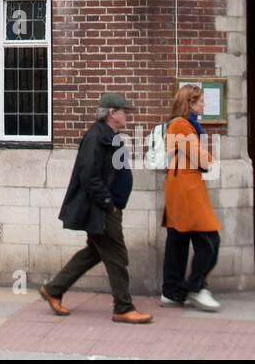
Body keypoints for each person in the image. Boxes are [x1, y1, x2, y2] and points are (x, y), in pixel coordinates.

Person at [40, 92, 152, 323]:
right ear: (112, 113)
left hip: (108, 207)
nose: (128, 115)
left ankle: (53, 289)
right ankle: (123, 307)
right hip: (101, 209)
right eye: (124, 111)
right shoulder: (95, 138)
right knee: (117, 257)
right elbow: (89, 176)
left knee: (93, 253)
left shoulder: (110, 136)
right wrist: (109, 204)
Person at [159, 83, 221, 311]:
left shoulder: (182, 125)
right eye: (200, 101)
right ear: (190, 104)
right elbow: (202, 159)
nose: (204, 104)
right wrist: (210, 159)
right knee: (210, 241)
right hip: (187, 189)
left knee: (178, 241)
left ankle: (171, 291)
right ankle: (195, 287)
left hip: (182, 186)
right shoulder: (182, 126)